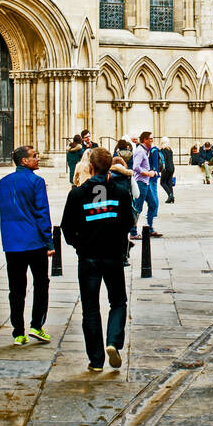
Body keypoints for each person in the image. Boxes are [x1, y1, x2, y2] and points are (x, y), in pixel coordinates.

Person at [61, 147, 135, 372]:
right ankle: (113, 341)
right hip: (113, 256)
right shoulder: (121, 193)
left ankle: (95, 360)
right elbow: (128, 223)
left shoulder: (77, 194)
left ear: (91, 167)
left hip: (88, 258)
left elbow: (67, 228)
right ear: (109, 167)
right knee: (118, 301)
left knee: (90, 308)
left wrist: (79, 245)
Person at [0, 146, 54, 345]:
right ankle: (36, 325)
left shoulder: (4, 182)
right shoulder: (37, 182)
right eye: (34, 156)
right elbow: (42, 212)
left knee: (16, 289)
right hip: (35, 242)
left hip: (12, 244)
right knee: (41, 283)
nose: (38, 159)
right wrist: (49, 240)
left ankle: (18, 332)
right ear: (24, 161)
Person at [130, 131, 161, 238]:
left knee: (153, 204)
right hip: (141, 183)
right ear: (145, 140)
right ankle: (133, 232)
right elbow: (136, 167)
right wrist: (148, 173)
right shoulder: (140, 151)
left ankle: (150, 228)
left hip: (145, 183)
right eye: (150, 139)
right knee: (138, 207)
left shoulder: (144, 151)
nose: (152, 141)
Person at [158, 137, 176, 203]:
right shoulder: (170, 149)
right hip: (172, 168)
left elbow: (163, 159)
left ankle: (170, 195)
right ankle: (171, 198)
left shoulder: (162, 150)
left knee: (162, 182)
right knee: (169, 183)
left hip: (166, 168)